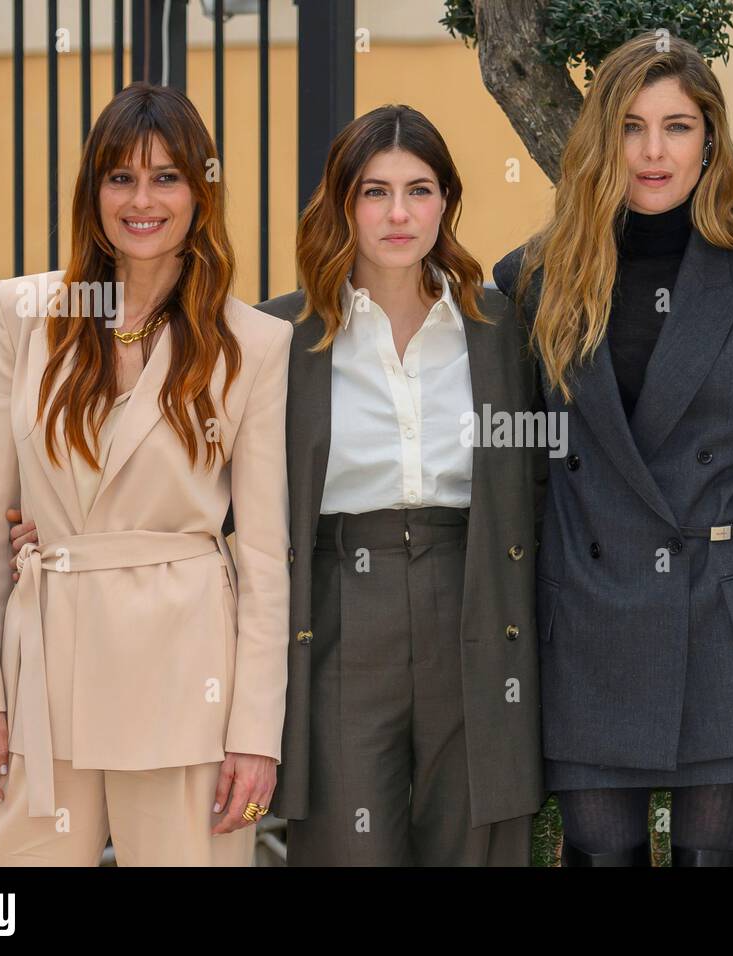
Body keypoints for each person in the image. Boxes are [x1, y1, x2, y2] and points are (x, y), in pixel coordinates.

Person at [0, 82, 292, 866]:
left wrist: (254, 733)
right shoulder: (24, 314)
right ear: (93, 190)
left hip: (187, 683)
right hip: (41, 672)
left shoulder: (252, 344)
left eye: (166, 177)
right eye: (121, 177)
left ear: (200, 193)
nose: (142, 200)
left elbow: (264, 558)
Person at [493, 32, 733, 866]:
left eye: (678, 126)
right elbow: (516, 470)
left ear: (710, 141)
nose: (654, 151)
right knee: (600, 855)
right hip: (587, 619)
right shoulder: (533, 280)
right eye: (631, 126)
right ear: (601, 139)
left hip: (722, 624)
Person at [254, 105, 545, 865]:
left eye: (418, 190)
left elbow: (541, 481)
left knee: (474, 836)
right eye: (374, 192)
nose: (398, 214)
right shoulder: (279, 335)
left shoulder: (498, 327)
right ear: (343, 203)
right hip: (339, 606)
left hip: (474, 595)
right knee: (349, 844)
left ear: (446, 201)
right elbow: (208, 479)